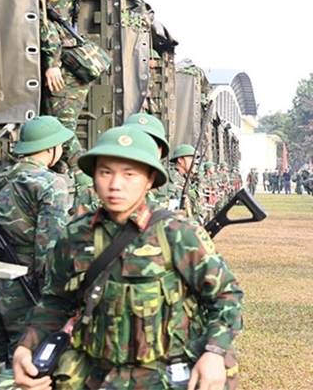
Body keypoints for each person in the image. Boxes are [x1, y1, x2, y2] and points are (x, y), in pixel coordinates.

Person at [12, 126, 243, 389]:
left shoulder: (177, 233)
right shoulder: (75, 236)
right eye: (105, 172)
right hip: (99, 375)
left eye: (129, 174)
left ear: (149, 180)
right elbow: (55, 302)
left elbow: (226, 294)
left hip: (165, 375)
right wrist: (25, 347)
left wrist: (214, 352)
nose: (115, 185)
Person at [0, 116, 74, 365]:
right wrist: (53, 299)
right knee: (25, 365)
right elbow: (50, 247)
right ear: (50, 148)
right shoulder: (51, 184)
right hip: (26, 289)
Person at [38, 0, 90, 184]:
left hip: (65, 69)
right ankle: (59, 173)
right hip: (67, 68)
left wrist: (53, 65)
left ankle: (85, 180)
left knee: (62, 128)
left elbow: (52, 29)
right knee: (55, 124)